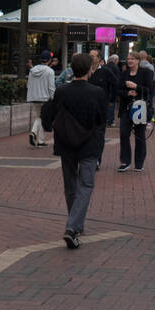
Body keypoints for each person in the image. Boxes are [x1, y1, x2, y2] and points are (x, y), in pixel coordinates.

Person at [40, 53, 106, 249]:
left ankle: (75, 222)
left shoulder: (62, 91)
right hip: (89, 144)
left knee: (70, 185)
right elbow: (102, 120)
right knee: (85, 185)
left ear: (72, 69)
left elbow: (50, 113)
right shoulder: (97, 92)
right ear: (89, 70)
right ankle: (72, 227)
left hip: (65, 142)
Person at [116, 51, 154, 172]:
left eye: (132, 59)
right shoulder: (124, 73)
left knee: (139, 135)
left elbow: (149, 90)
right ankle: (125, 161)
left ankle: (139, 162)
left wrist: (136, 86)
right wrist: (127, 92)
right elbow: (118, 90)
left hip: (140, 107)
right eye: (128, 59)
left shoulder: (146, 73)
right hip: (126, 107)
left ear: (138, 61)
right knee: (124, 133)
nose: (130, 61)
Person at [27, 50, 57, 146]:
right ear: (49, 60)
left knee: (39, 117)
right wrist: (54, 98)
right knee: (43, 118)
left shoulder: (33, 70)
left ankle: (38, 138)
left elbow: (28, 85)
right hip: (45, 98)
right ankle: (37, 137)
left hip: (34, 97)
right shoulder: (50, 71)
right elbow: (51, 87)